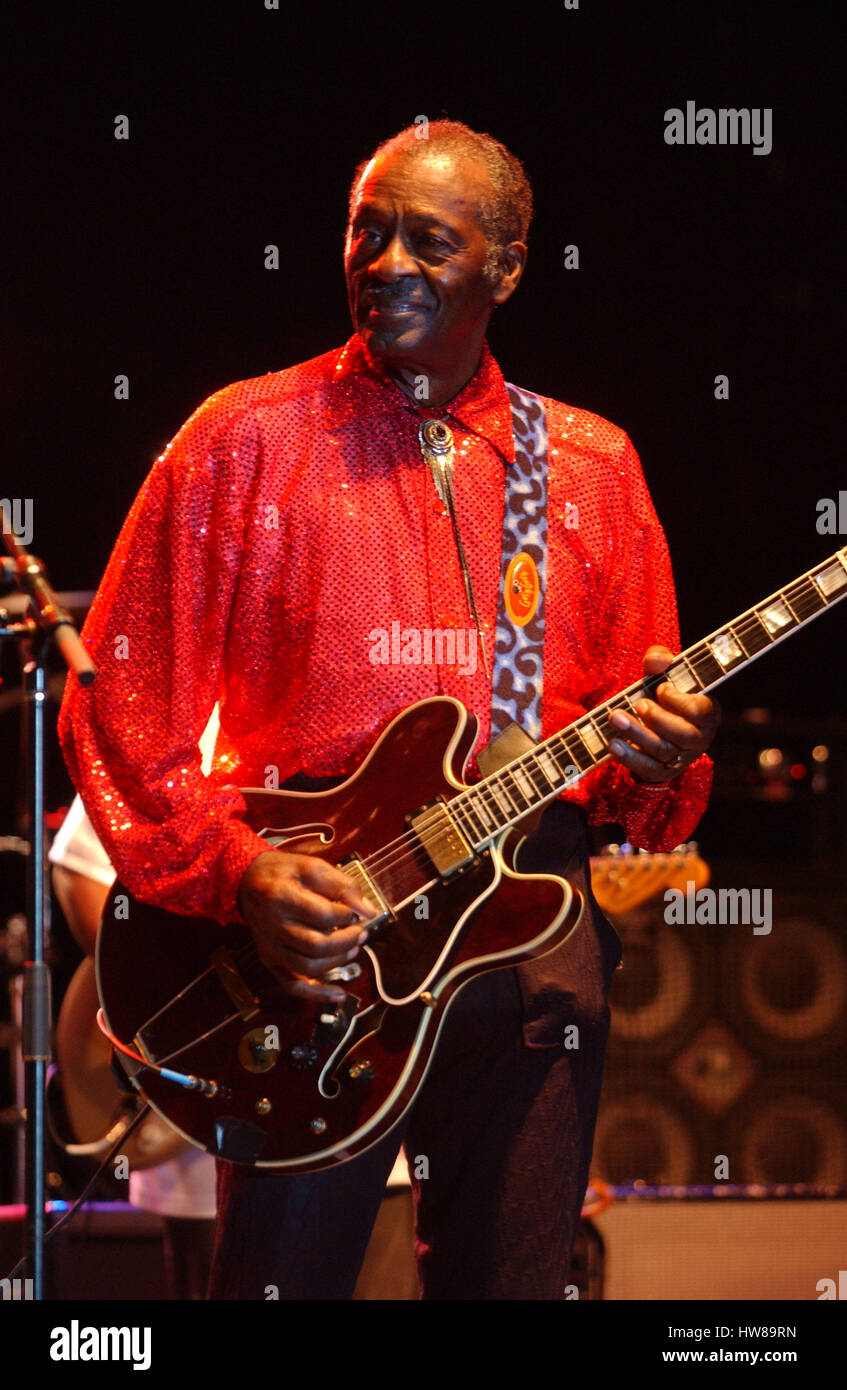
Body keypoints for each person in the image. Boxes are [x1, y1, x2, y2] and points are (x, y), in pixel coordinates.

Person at [58, 120, 719, 1300]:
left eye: (430, 238)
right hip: (316, 943)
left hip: (533, 927)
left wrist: (666, 756)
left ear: (507, 268)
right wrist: (241, 873)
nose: (387, 261)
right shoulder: (242, 440)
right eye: (367, 230)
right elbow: (121, 707)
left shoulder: (588, 467)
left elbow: (640, 793)